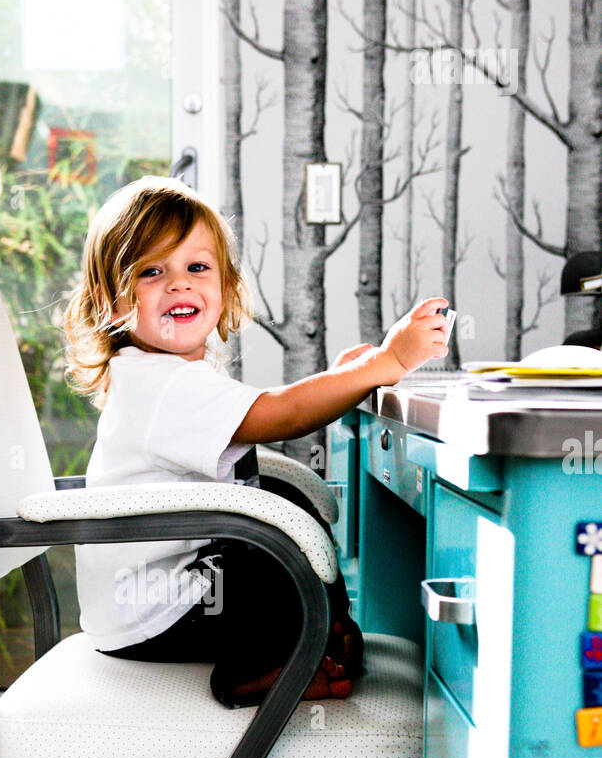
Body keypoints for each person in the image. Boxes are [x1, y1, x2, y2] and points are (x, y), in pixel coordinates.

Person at [63, 177, 448, 707]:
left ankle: (323, 632)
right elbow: (282, 414)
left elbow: (270, 407)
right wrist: (385, 363)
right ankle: (256, 672)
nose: (179, 284)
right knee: (269, 557)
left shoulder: (163, 375)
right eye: (152, 272)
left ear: (225, 287)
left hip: (158, 599)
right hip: (156, 612)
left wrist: (346, 377)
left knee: (282, 508)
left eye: (197, 267)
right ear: (111, 302)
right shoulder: (161, 383)